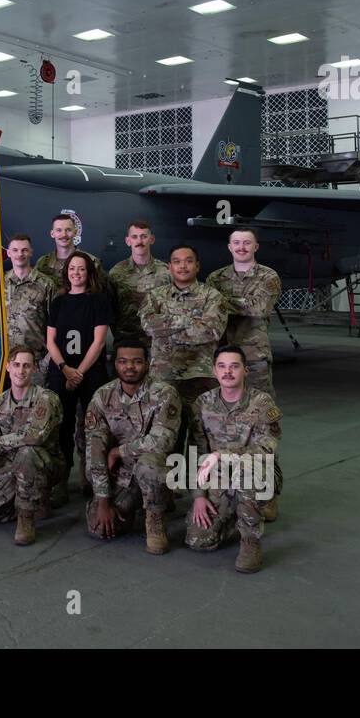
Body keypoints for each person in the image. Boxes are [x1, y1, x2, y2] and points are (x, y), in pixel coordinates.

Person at [206, 228, 284, 521]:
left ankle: (268, 493)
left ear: (256, 247)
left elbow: (259, 307)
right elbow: (215, 312)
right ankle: (229, 490)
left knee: (264, 425)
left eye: (246, 243)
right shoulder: (216, 278)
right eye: (236, 243)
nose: (241, 247)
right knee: (226, 426)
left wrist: (224, 303)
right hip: (225, 360)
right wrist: (231, 305)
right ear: (229, 247)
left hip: (254, 359)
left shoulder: (268, 276)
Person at [186, 346, 280, 573]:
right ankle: (237, 514)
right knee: (198, 540)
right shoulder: (202, 403)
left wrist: (222, 454)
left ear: (245, 371)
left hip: (257, 473)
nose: (228, 372)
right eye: (222, 366)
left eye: (234, 366)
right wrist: (199, 496)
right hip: (219, 477)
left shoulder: (262, 403)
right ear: (214, 371)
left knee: (245, 473)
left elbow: (267, 447)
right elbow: (196, 451)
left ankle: (250, 540)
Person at [83, 342, 181, 553]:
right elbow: (95, 449)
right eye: (123, 362)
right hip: (121, 473)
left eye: (137, 362)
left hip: (154, 466)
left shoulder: (164, 394)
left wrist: (120, 451)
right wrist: (102, 500)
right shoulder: (102, 397)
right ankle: (135, 502)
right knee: (99, 528)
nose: (130, 367)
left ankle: (155, 517)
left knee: (150, 465)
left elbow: (162, 441)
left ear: (147, 364)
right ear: (115, 364)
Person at [0, 346, 63, 546]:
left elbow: (35, 437)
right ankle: (30, 500)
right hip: (11, 465)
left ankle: (26, 516)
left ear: (34, 369)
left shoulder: (46, 399)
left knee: (27, 453)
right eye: (17, 365)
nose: (21, 371)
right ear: (8, 367)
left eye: (27, 366)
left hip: (43, 463)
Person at [140, 245, 228, 448]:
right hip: (164, 378)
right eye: (177, 262)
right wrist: (188, 322)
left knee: (203, 438)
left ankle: (200, 480)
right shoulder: (156, 296)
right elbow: (149, 327)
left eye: (188, 261)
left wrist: (168, 328)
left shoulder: (212, 296)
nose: (182, 266)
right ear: (169, 267)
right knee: (168, 438)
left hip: (201, 378)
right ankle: (174, 480)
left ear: (197, 266)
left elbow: (211, 331)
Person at [45, 251, 112, 504]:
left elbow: (98, 341)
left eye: (81, 269)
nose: (76, 273)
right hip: (62, 369)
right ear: (66, 272)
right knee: (62, 426)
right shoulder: (59, 302)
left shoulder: (98, 300)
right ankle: (60, 480)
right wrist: (64, 368)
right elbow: (50, 341)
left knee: (94, 425)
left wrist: (80, 372)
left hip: (90, 370)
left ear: (89, 272)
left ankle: (92, 478)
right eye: (72, 268)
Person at [3, 233, 58, 386]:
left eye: (24, 250)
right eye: (15, 250)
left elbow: (57, 325)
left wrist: (46, 362)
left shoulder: (46, 284)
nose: (19, 254)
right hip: (2, 364)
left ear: (31, 252)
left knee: (33, 408)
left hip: (33, 364)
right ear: (8, 253)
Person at [106, 220, 170, 351]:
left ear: (151, 239)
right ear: (128, 241)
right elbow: (110, 309)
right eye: (134, 237)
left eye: (144, 236)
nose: (139, 241)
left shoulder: (166, 272)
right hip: (125, 340)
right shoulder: (116, 272)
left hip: (157, 342)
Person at [35, 213, 101, 281]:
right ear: (52, 234)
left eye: (68, 230)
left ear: (75, 232)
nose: (64, 234)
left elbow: (101, 289)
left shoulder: (92, 262)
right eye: (59, 230)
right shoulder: (42, 263)